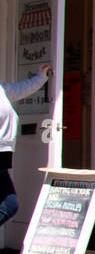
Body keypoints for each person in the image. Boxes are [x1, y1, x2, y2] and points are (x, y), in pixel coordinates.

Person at [0, 63, 52, 228]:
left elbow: (23, 88)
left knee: (9, 205)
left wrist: (41, 76)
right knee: (9, 205)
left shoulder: (2, 90)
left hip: (3, 158)